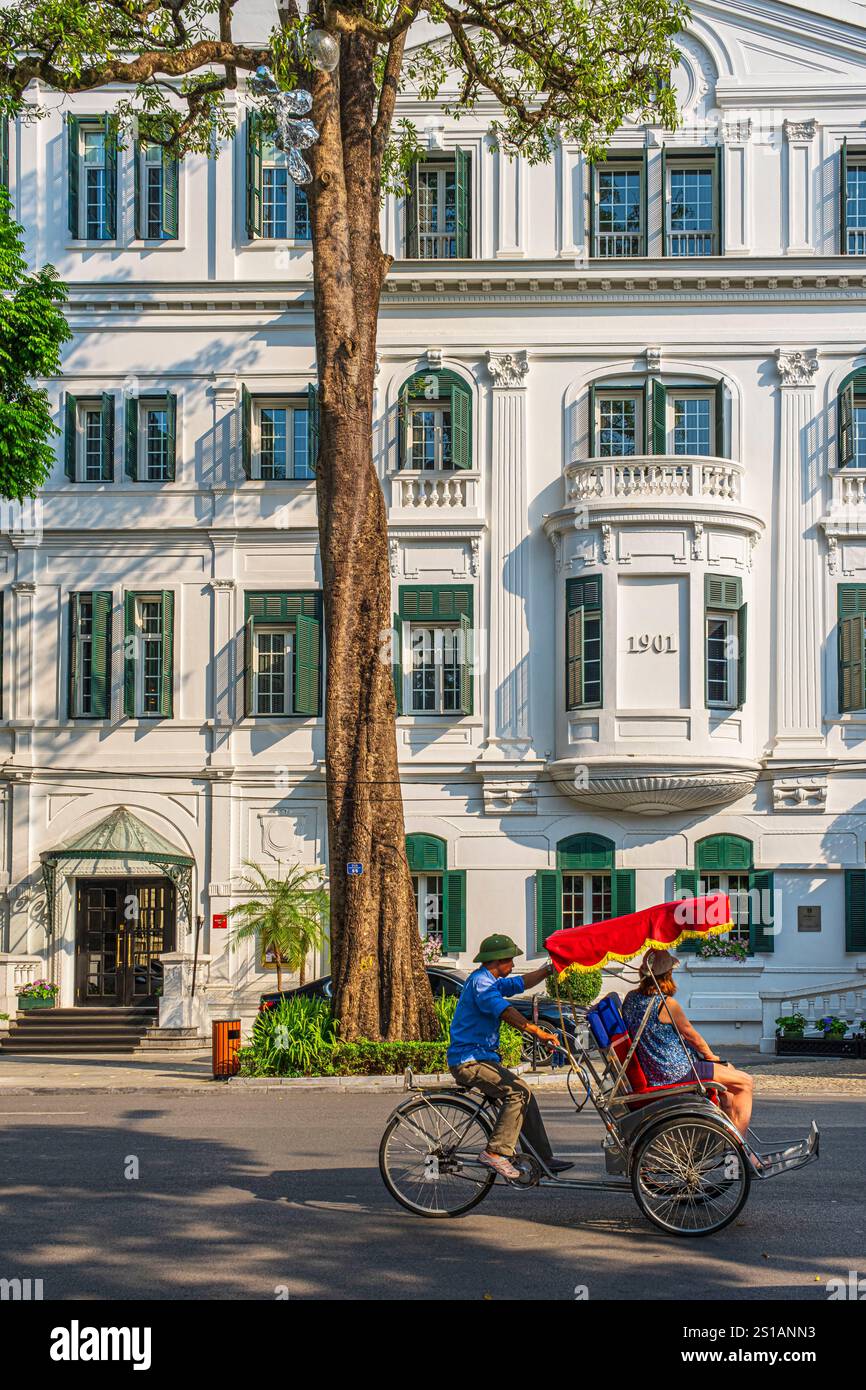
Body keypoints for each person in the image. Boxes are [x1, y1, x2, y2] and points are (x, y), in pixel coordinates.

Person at [447, 934, 574, 1180]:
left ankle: (540, 1158)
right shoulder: (481, 984)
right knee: (518, 1093)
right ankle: (495, 1152)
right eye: (511, 961)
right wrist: (538, 1031)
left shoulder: (491, 980)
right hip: (469, 1061)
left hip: (482, 1058)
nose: (513, 965)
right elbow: (505, 1011)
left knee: (526, 1094)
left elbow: (521, 983)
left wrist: (549, 970)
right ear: (497, 961)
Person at [621, 947, 755, 1137]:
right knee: (745, 1083)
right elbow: (693, 1037)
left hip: (655, 1070)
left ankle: (727, 1139)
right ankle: (741, 1149)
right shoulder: (666, 1003)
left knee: (729, 1078)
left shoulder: (631, 998)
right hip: (676, 1071)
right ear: (668, 975)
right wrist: (712, 1057)